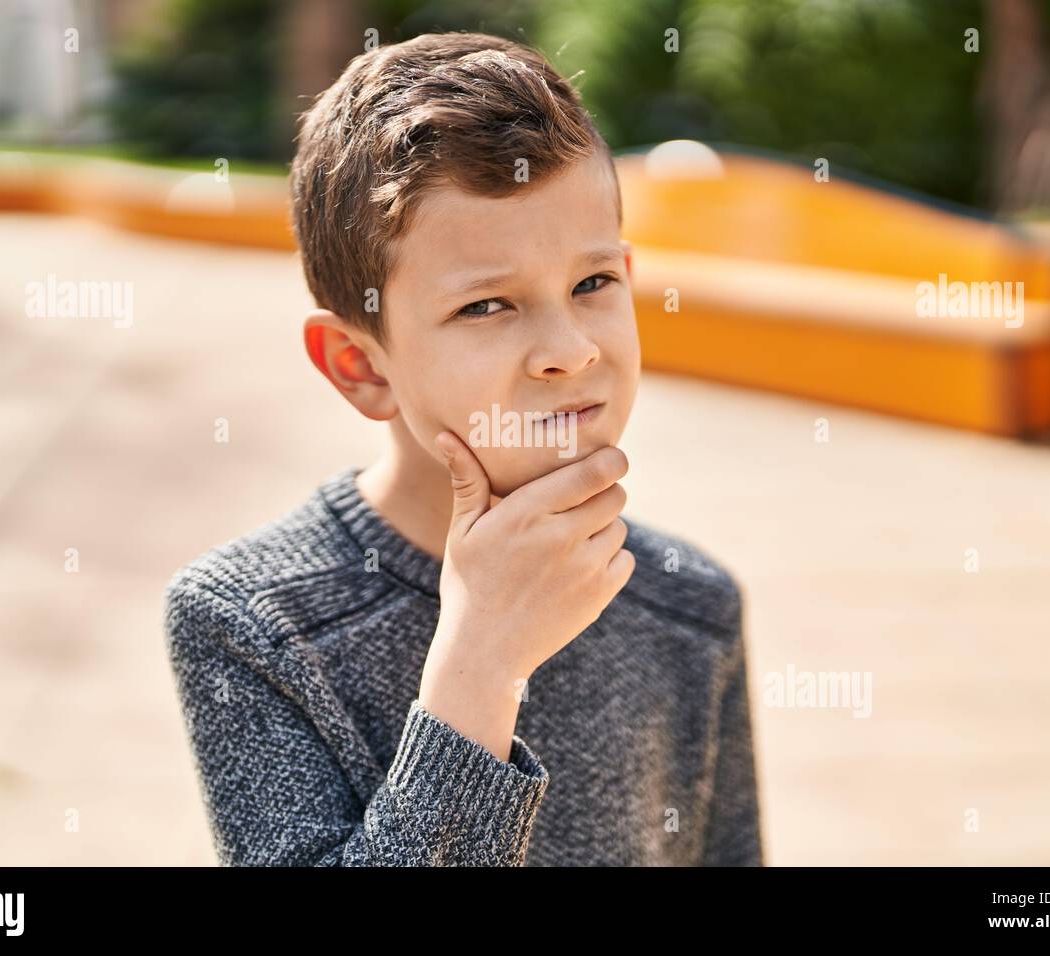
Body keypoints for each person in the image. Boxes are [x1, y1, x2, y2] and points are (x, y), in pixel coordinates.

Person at [164, 31, 763, 866]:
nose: (570, 350)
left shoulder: (692, 607)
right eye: (486, 306)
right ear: (359, 365)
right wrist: (483, 663)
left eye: (593, 285)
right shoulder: (250, 623)